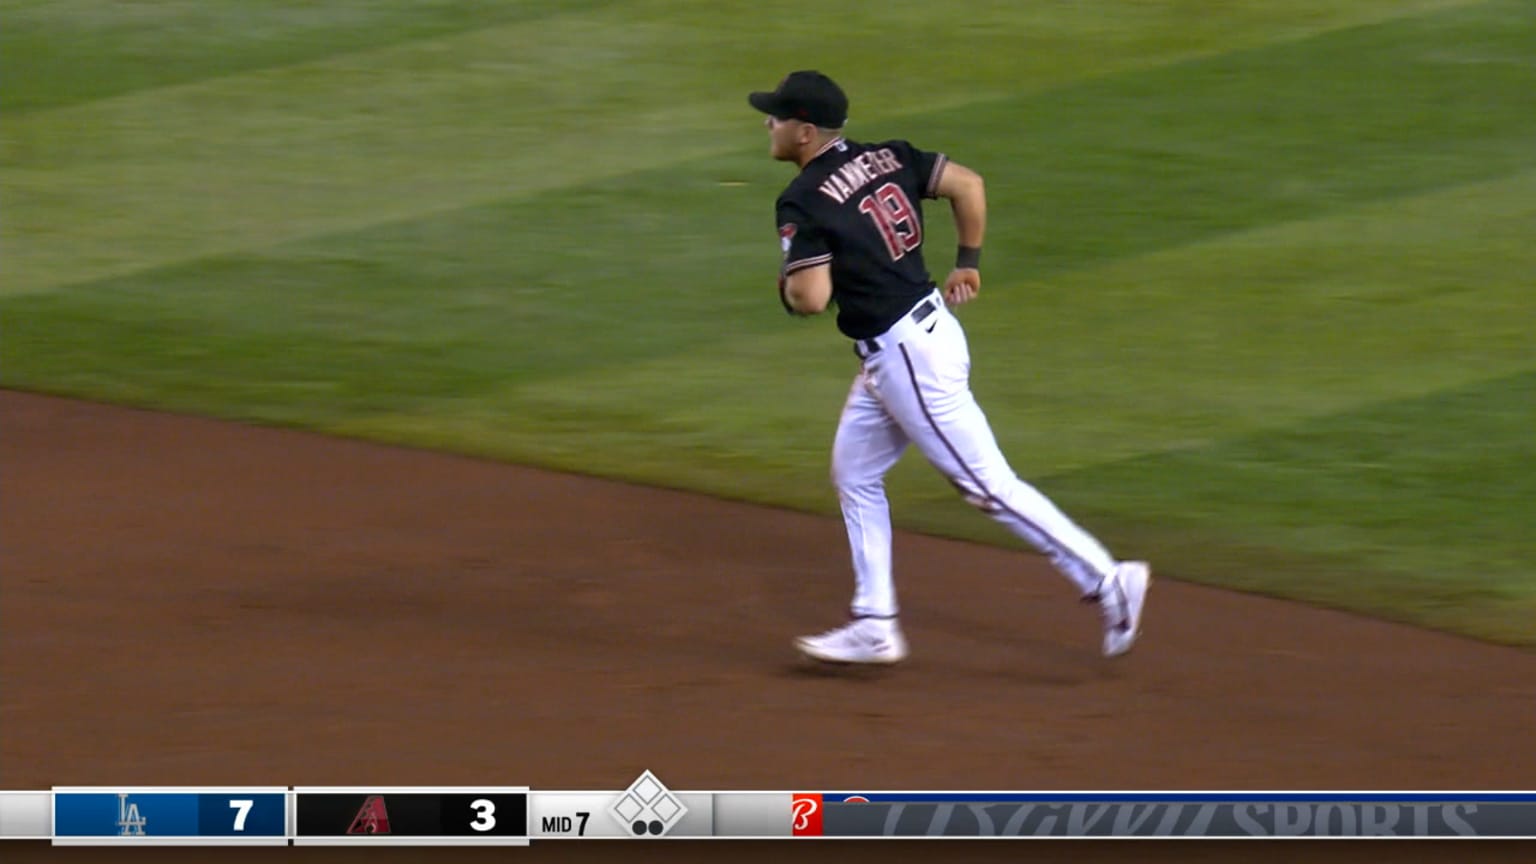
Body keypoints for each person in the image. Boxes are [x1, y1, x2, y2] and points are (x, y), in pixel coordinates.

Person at [748, 70, 1150, 665]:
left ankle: (1105, 577)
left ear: (805, 132)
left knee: (987, 486)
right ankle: (875, 620)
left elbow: (809, 297)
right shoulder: (891, 155)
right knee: (854, 473)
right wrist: (968, 261)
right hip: (918, 341)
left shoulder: (803, 199)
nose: (769, 124)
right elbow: (968, 184)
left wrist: (785, 287)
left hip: (907, 357)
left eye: (777, 117)